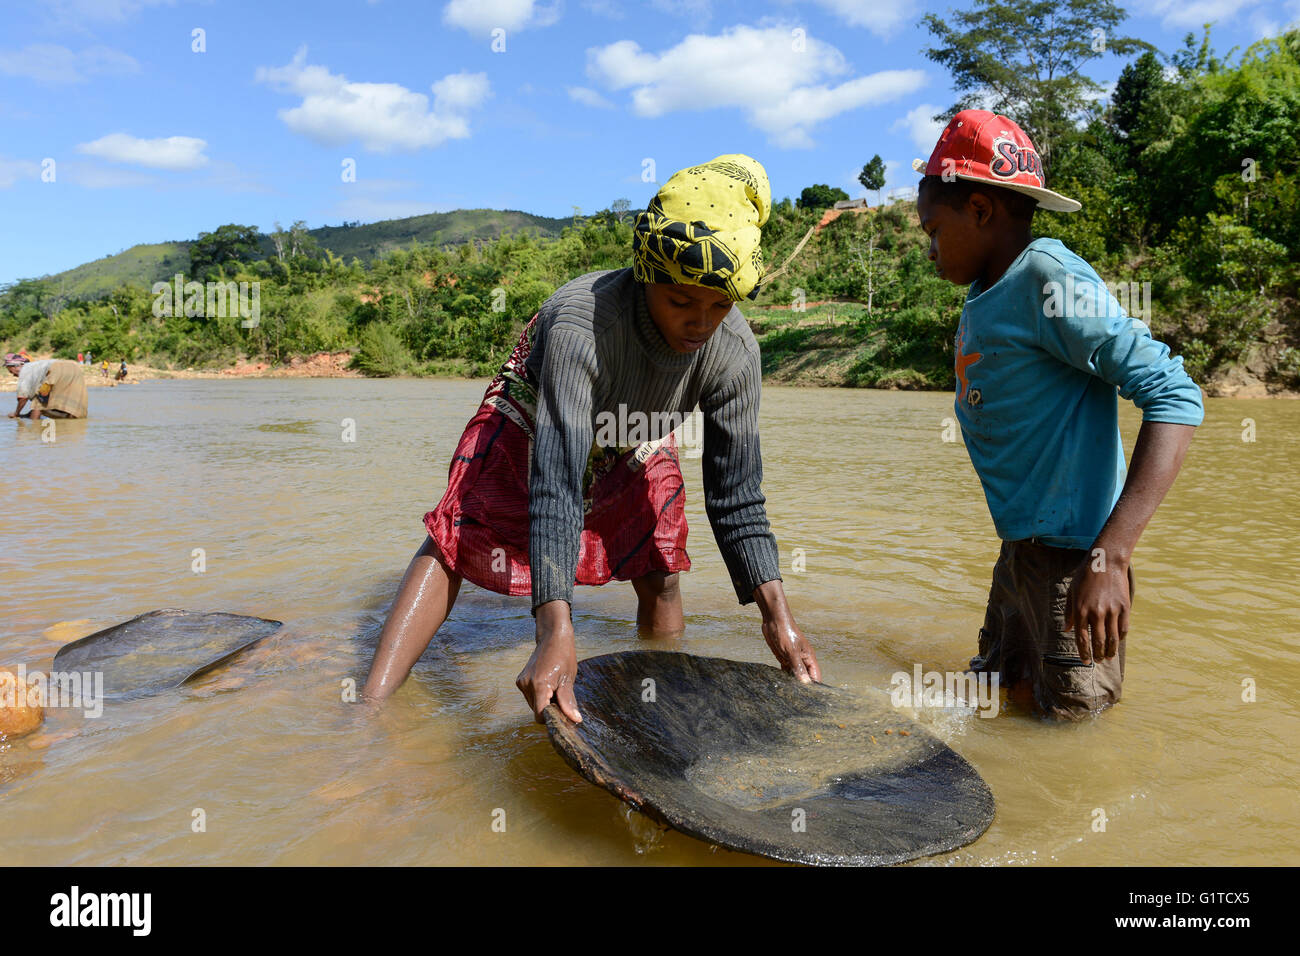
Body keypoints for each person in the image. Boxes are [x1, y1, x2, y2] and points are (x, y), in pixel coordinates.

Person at [362, 154, 820, 721]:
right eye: (681, 301)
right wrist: (555, 627)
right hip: (539, 419)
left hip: (636, 429)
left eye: (719, 306)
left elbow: (737, 498)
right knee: (460, 538)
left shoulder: (735, 353)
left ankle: (661, 713)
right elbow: (555, 481)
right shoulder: (585, 323)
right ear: (648, 276)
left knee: (660, 569)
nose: (700, 324)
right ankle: (367, 709)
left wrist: (778, 617)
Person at [912, 111, 1204, 720]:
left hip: (1077, 562)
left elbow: (1175, 396)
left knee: (1072, 736)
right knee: (996, 700)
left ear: (982, 210)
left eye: (934, 229)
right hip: (1021, 551)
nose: (930, 248)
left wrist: (1111, 559)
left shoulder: (1049, 279)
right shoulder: (987, 289)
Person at [5, 354, 90, 419]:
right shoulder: (36, 366)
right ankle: (73, 422)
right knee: (71, 403)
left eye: (11, 371)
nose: (13, 375)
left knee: (38, 400)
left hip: (56, 369)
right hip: (74, 368)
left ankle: (35, 425)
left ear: (16, 366)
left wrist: (16, 414)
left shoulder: (25, 370)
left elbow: (23, 397)